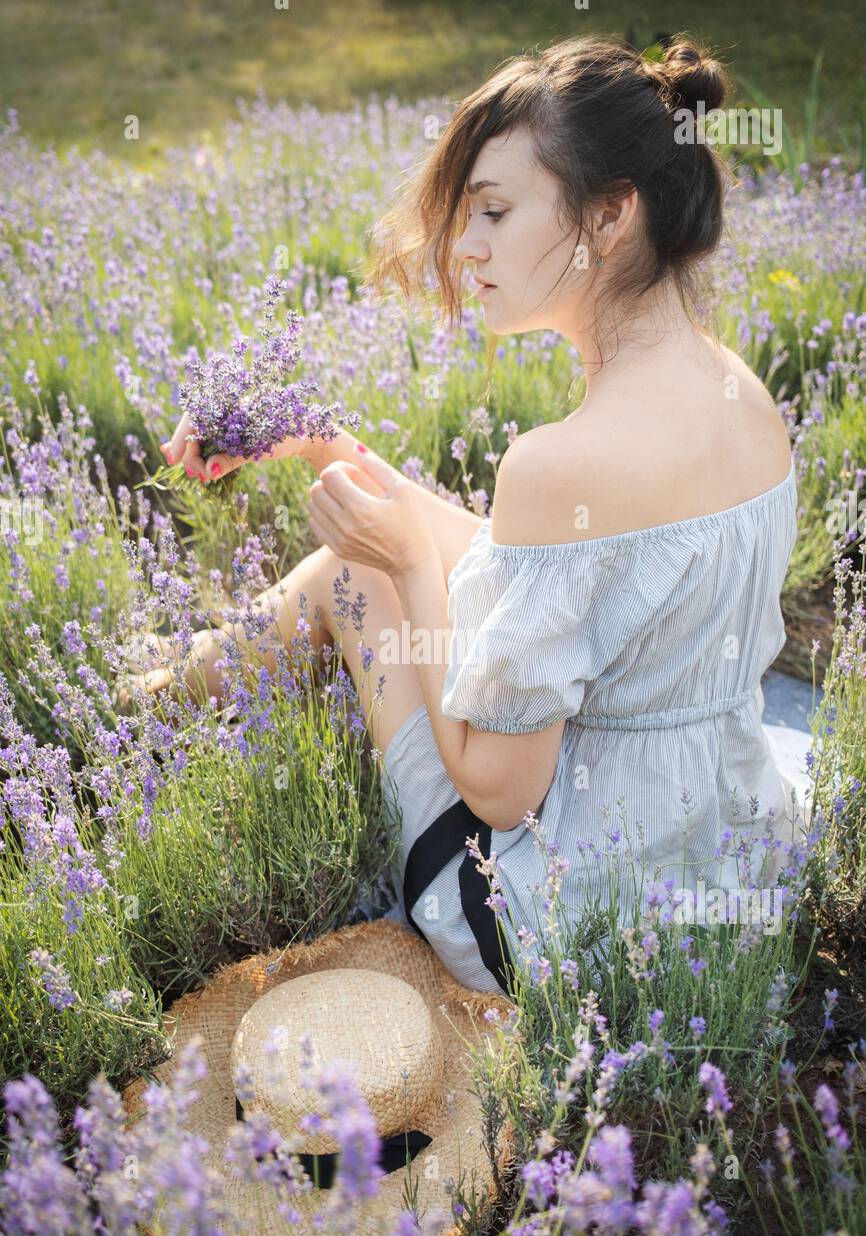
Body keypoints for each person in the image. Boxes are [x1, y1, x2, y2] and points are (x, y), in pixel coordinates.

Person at [144, 33, 802, 998]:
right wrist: (313, 442)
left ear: (609, 214)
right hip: (732, 887)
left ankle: (157, 704)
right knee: (385, 559)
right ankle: (174, 684)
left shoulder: (559, 465)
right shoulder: (739, 394)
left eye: (495, 210)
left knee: (350, 572)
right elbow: (531, 566)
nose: (468, 246)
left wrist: (407, 567)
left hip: (558, 932)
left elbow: (500, 788)